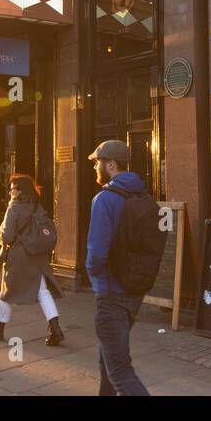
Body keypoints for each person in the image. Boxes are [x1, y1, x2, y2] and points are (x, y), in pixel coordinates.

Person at [86, 140, 156, 396]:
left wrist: (94, 276)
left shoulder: (105, 199)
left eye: (98, 162)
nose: (95, 166)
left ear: (111, 165)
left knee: (120, 371)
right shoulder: (142, 195)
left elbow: (96, 252)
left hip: (110, 294)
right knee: (108, 361)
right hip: (133, 290)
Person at [0, 173, 64, 347]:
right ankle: (55, 329)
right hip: (36, 254)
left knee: (7, 290)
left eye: (12, 188)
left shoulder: (15, 207)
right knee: (42, 291)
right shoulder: (36, 205)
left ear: (19, 191)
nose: (10, 191)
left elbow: (8, 235)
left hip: (19, 255)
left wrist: (0, 234)